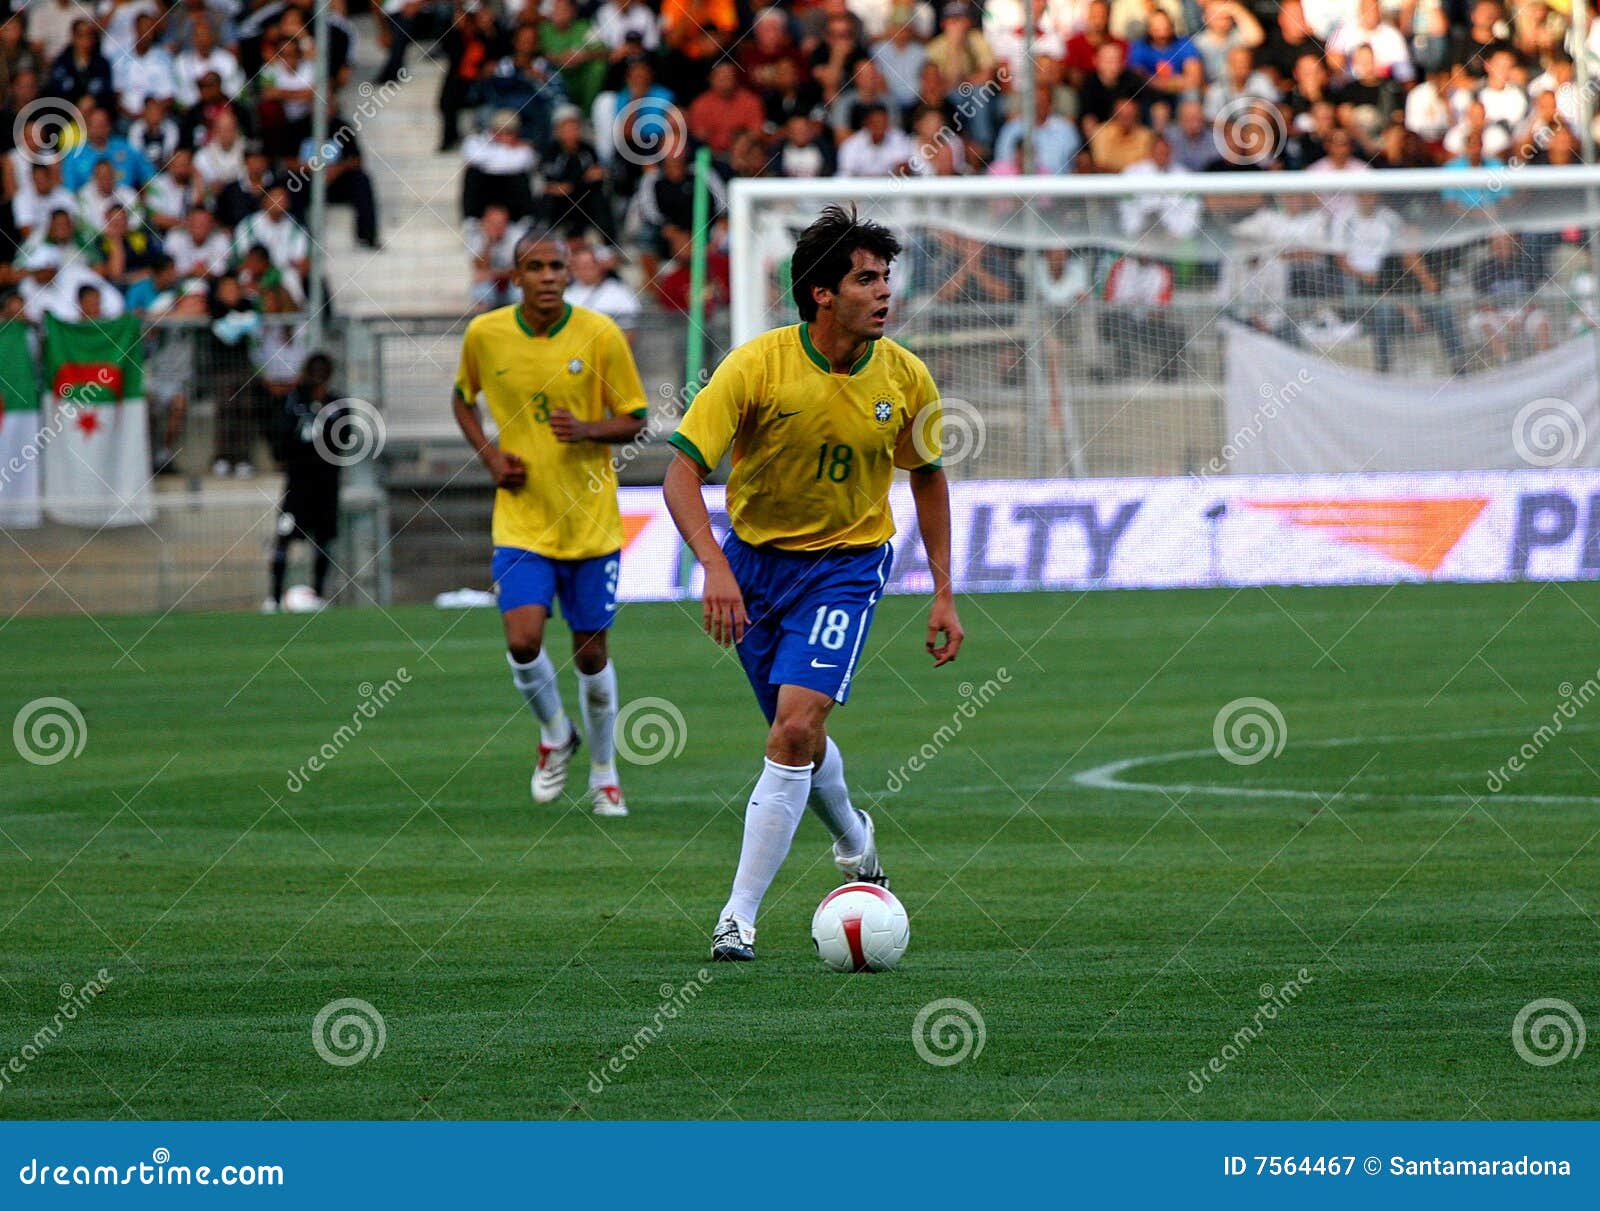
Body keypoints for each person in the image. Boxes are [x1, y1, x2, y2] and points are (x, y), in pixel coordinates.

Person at [661, 205, 963, 962]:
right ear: (822, 293)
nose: (885, 291)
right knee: (799, 736)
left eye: (887, 276)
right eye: (867, 278)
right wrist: (717, 566)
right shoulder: (757, 365)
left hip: (848, 568)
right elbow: (680, 473)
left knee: (793, 728)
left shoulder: (905, 374)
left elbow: (927, 477)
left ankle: (738, 916)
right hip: (757, 570)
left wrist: (944, 590)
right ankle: (858, 841)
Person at [451, 231, 649, 818]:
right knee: (522, 639)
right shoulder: (485, 334)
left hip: (589, 522)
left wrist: (587, 430)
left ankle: (605, 770)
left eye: (555, 266)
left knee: (590, 656)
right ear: (515, 276)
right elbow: (463, 399)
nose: (545, 275)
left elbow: (635, 418)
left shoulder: (600, 334)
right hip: (521, 521)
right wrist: (489, 457)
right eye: (533, 266)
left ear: (570, 274)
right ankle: (556, 733)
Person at [265, 352, 342, 613]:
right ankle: (274, 598)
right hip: (298, 485)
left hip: (325, 485)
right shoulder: (294, 402)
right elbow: (281, 435)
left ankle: (318, 594)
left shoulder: (337, 404)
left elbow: (344, 440)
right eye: (314, 370)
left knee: (323, 540)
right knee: (284, 537)